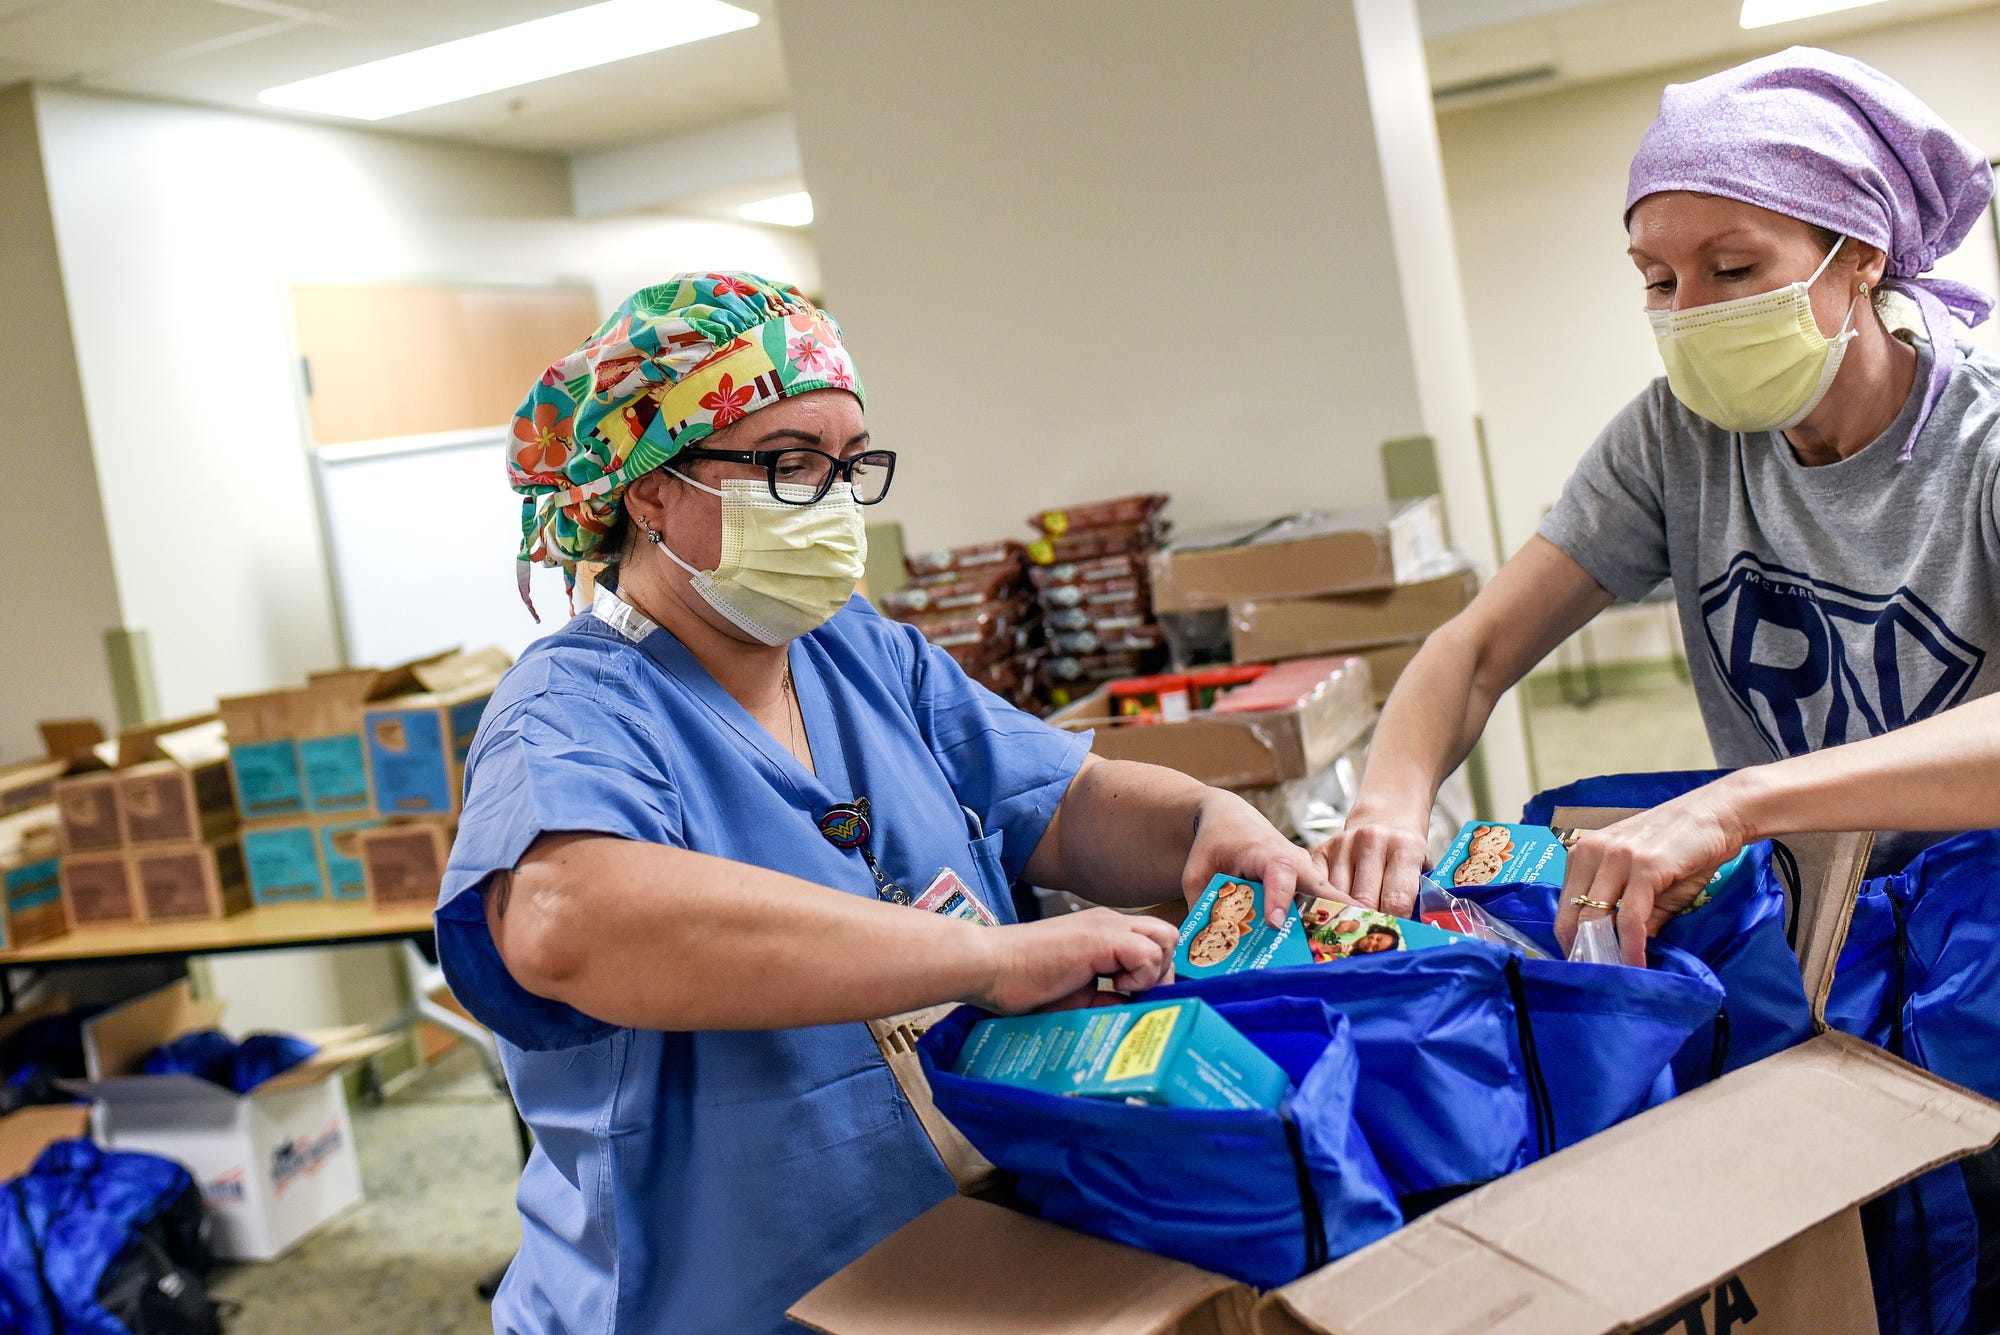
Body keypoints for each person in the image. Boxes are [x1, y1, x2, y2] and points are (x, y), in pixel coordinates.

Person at [434, 274, 1330, 1334]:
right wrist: (982, 960)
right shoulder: (569, 708)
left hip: (950, 1261)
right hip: (721, 1301)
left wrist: (1201, 823)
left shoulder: (858, 651)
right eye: (788, 465)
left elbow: (1058, 797)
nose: (832, 500)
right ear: (649, 492)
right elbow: (567, 917)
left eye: (850, 465)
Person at [1312, 47, 1999, 966]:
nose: (1692, 314)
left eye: (1733, 268)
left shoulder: (1981, 448)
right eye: (1659, 280)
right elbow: (1474, 652)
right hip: (1806, 918)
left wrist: (1737, 802)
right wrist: (1389, 806)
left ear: (1861, 254)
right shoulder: (1678, 438)